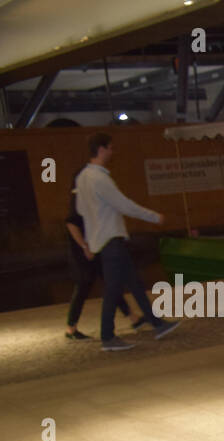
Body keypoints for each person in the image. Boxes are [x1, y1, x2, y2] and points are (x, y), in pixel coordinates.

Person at [75, 132, 179, 351]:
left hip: (101, 241)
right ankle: (107, 337)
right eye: (111, 148)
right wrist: (154, 216)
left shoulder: (82, 178)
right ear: (101, 149)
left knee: (134, 283)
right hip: (111, 239)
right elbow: (124, 205)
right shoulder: (100, 178)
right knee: (113, 289)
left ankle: (157, 324)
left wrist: (88, 240)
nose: (113, 152)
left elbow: (80, 211)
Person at [64, 169, 134, 340]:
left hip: (94, 247)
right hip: (84, 250)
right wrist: (84, 246)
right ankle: (71, 327)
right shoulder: (77, 199)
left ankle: (133, 317)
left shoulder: (87, 199)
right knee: (84, 285)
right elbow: (71, 224)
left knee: (110, 281)